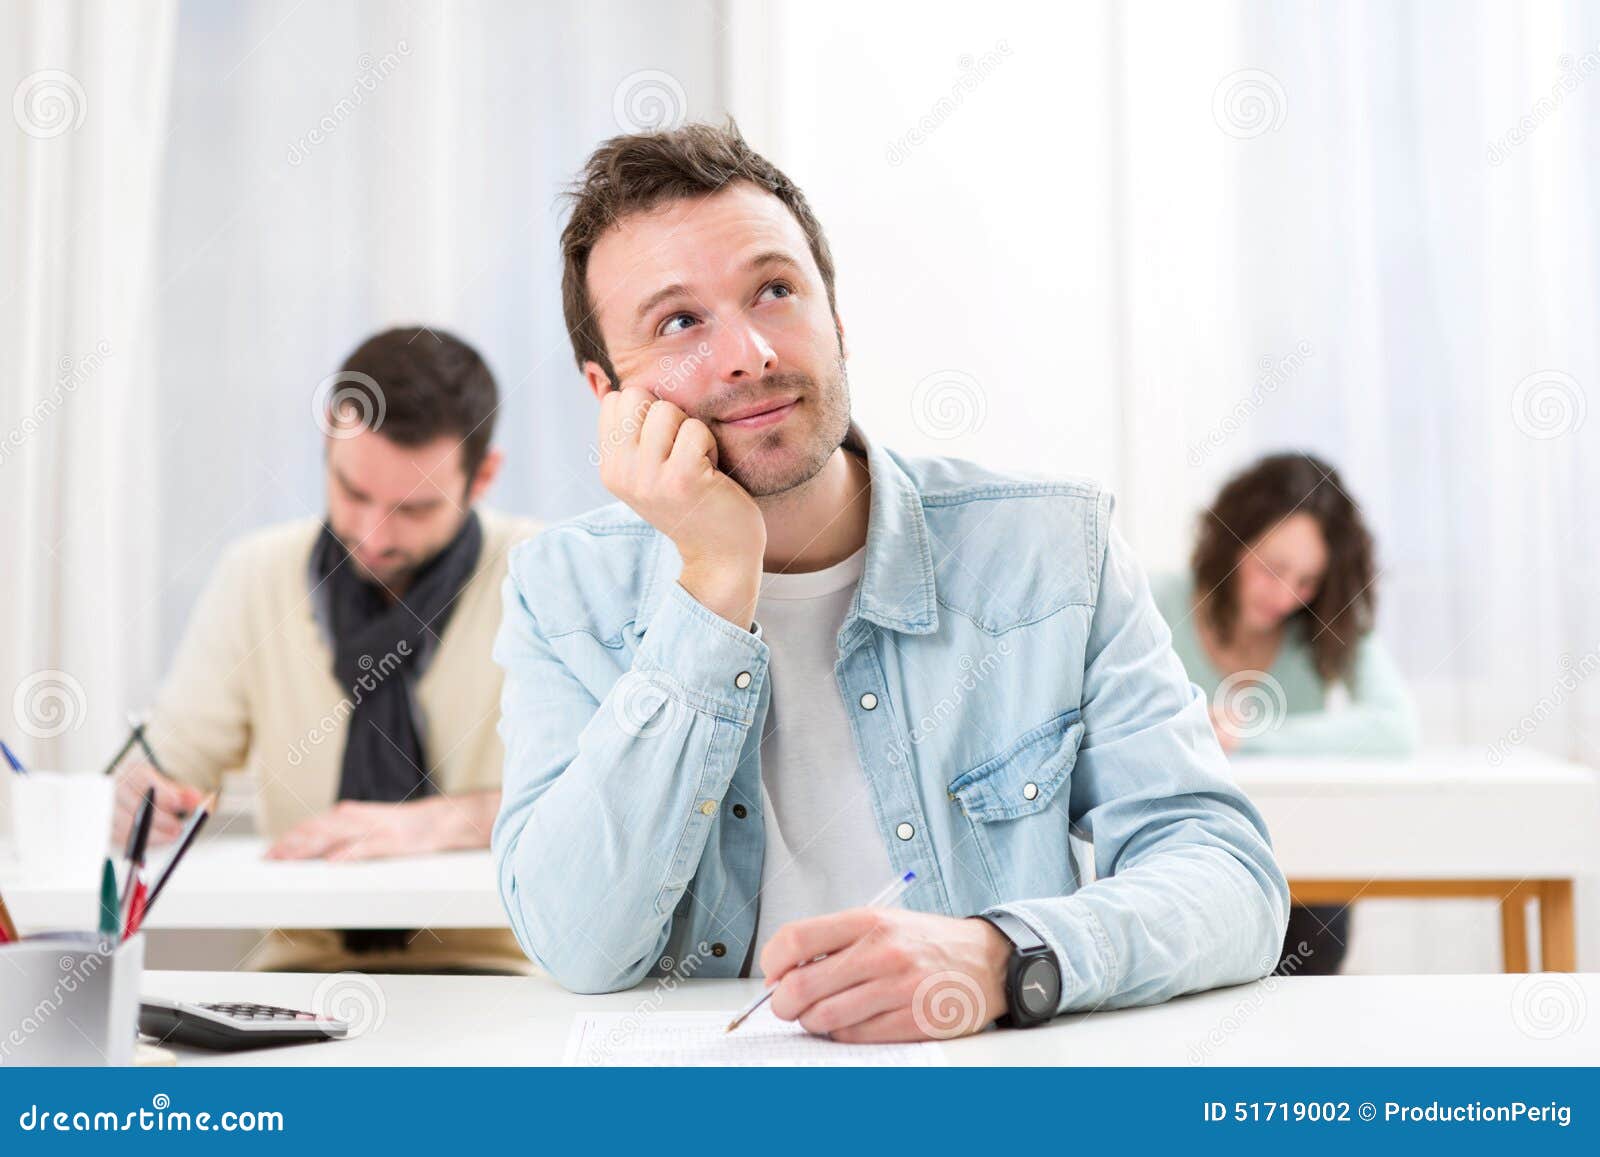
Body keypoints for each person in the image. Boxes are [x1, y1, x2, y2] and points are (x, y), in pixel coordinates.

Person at [492, 122, 1288, 1041]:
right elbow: (577, 942)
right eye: (679, 322)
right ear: (608, 394)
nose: (747, 351)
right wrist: (713, 580)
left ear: (836, 316)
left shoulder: (1049, 549)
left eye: (775, 290)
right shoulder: (564, 589)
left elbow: (1231, 881)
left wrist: (1003, 957)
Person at [114, 327, 538, 973]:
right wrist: (132, 796)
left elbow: (606, 802)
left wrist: (438, 824)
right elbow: (167, 766)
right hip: (300, 973)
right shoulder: (257, 575)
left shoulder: (545, 577)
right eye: (353, 491)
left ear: (484, 476)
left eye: (413, 508)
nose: (372, 534)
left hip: (502, 972)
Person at [1151, 451, 1418, 976]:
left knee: (1313, 947)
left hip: (1300, 868)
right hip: (1177, 864)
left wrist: (1249, 734)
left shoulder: (1328, 621)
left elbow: (1394, 728)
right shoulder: (1157, 601)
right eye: (1272, 568)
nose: (1286, 595)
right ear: (1232, 542)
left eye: (1307, 580)